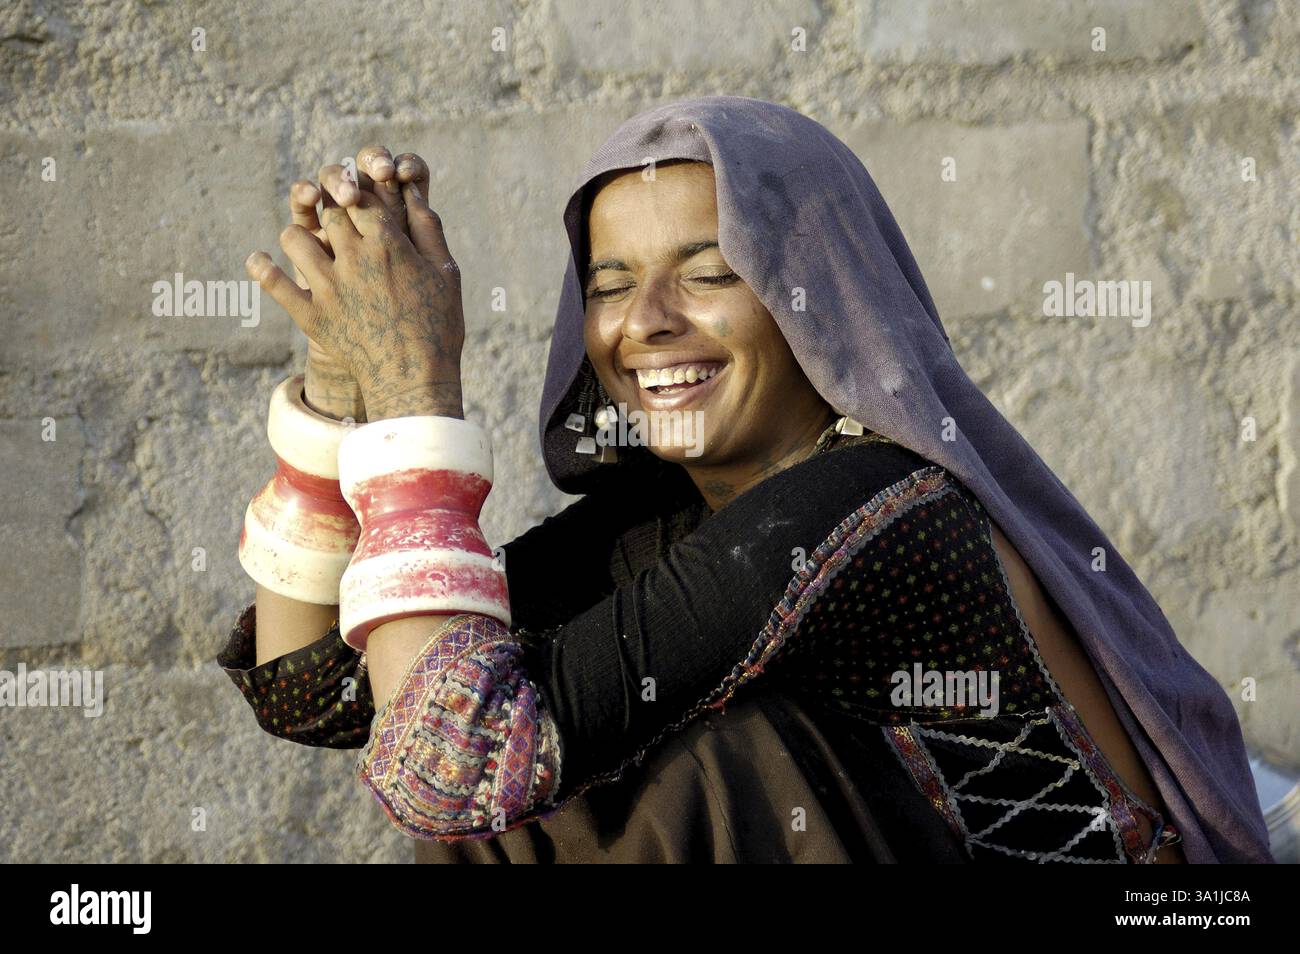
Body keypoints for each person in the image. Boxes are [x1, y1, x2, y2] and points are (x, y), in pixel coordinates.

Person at [219, 95, 1273, 863]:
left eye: (712, 274)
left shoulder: (880, 507)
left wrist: (416, 396)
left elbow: (449, 760)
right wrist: (338, 391)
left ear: (817, 295)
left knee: (708, 764)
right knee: (507, 742)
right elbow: (321, 693)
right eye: (612, 284)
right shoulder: (660, 529)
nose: (646, 324)